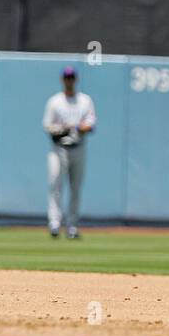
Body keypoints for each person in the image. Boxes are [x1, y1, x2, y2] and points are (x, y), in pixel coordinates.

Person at [42, 67, 97, 239]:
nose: (69, 80)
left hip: (78, 147)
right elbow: (47, 125)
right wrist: (63, 129)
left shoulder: (85, 100)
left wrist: (80, 128)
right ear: (62, 79)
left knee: (75, 188)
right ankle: (55, 224)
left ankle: (72, 226)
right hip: (59, 148)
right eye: (67, 77)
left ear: (76, 79)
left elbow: (91, 123)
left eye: (71, 77)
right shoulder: (55, 102)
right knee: (55, 186)